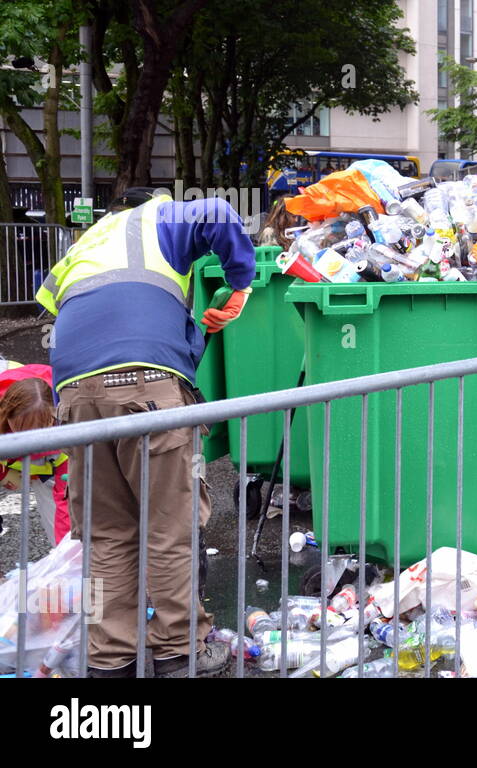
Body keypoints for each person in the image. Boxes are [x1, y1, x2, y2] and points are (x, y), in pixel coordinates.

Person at [36, 186, 257, 677]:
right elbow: (219, 212)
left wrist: (193, 334)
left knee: (105, 535)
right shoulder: (159, 216)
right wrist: (241, 283)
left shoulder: (87, 243)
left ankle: (109, 660)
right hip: (144, 387)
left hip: (74, 392)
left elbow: (81, 316)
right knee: (169, 528)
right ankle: (181, 651)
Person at [0, 363, 70, 545]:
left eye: (40, 429)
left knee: (63, 532)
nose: (32, 440)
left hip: (52, 465)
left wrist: (65, 555)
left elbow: (64, 498)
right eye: (22, 430)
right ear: (6, 416)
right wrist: (3, 473)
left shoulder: (67, 426)